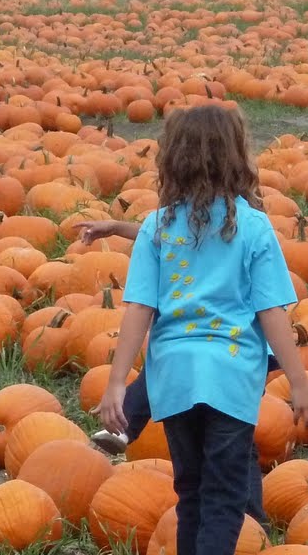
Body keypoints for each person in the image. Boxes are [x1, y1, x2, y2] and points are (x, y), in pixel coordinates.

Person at [99, 105, 308, 555]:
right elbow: (271, 313)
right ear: (235, 157)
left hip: (174, 378)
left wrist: (118, 383)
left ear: (172, 160)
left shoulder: (158, 228)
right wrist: (301, 381)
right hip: (230, 378)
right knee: (223, 493)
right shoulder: (254, 227)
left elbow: (139, 308)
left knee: (192, 491)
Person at [81, 216, 270, 524]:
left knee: (232, 437)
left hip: (232, 345)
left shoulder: (241, 223)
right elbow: (161, 234)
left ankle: (250, 517)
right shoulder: (218, 219)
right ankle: (249, 517)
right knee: (231, 436)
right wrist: (116, 227)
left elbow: (163, 235)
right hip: (220, 346)